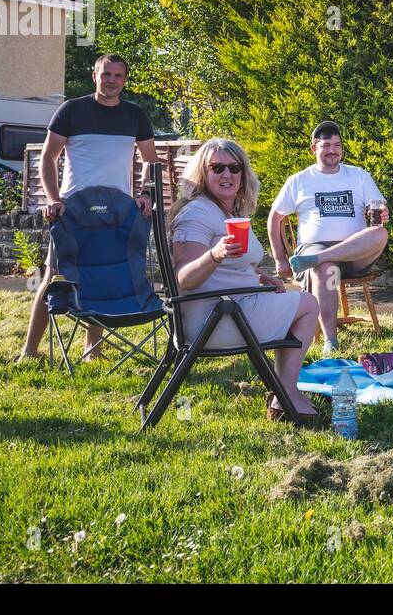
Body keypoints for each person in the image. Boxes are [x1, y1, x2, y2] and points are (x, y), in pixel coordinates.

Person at [169, 138, 322, 425]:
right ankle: (285, 394)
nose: (227, 174)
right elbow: (185, 279)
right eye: (217, 167)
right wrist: (215, 254)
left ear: (242, 175)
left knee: (297, 301)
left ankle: (284, 390)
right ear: (202, 173)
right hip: (213, 320)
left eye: (234, 167)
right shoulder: (197, 213)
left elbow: (234, 265)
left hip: (231, 307)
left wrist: (260, 276)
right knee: (308, 303)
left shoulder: (226, 212)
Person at [18, 54, 157, 363]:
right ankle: (29, 351)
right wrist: (53, 199)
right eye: (106, 74)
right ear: (95, 75)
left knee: (103, 277)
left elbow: (150, 159)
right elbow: (48, 157)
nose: (112, 80)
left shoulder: (135, 115)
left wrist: (145, 192)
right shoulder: (72, 110)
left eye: (118, 76)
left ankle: (92, 351)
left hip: (117, 214)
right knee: (54, 276)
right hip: (73, 212)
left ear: (124, 80)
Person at [268, 121, 387, 353]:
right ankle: (331, 342)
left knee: (380, 232)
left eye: (337, 145)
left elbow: (379, 208)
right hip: (316, 251)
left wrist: (383, 212)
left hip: (355, 254)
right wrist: (279, 259)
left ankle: (319, 258)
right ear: (314, 149)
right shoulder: (299, 181)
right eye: (326, 145)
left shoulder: (359, 176)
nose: (333, 150)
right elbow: (275, 218)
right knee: (327, 269)